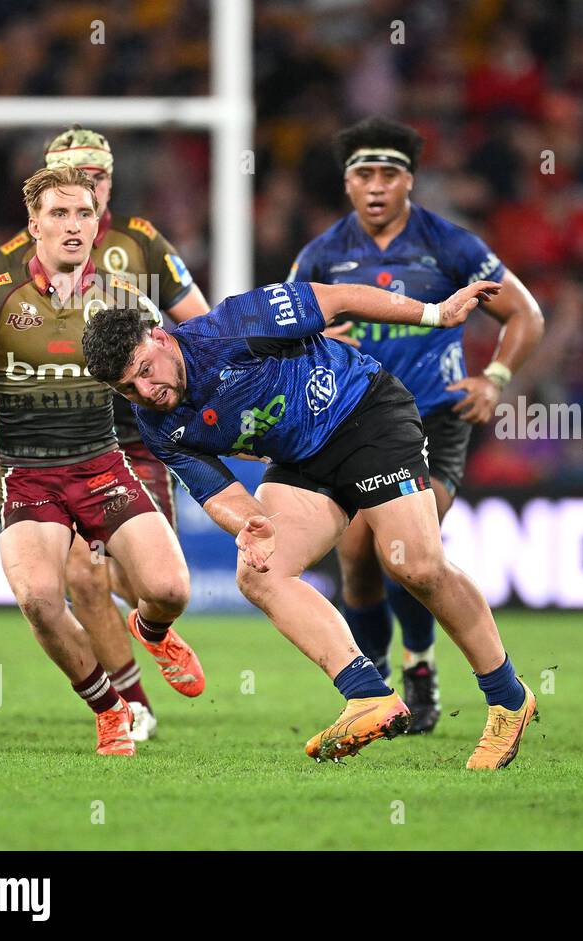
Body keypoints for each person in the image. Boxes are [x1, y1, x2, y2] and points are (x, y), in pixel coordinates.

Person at [81, 277, 539, 769]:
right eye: (128, 386)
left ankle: (508, 697)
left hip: (365, 414)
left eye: (146, 371)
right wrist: (249, 524)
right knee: (261, 573)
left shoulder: (234, 324)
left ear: (162, 338)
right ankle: (368, 694)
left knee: (416, 567)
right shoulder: (153, 422)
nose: (146, 391)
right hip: (302, 459)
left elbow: (337, 298)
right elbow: (217, 491)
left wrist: (434, 314)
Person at [0, 166, 205, 757]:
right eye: (59, 214)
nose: (74, 226)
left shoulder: (126, 302)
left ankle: (151, 631)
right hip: (29, 477)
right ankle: (108, 709)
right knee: (40, 601)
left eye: (83, 214)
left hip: (104, 466)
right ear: (34, 226)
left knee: (170, 589)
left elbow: (170, 372)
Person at [289, 117, 543, 733]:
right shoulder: (321, 255)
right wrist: (312, 335)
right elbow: (279, 336)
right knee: (356, 560)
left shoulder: (449, 245)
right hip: (351, 422)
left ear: (411, 180)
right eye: (363, 174)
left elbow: (525, 314)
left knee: (404, 551)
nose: (376, 186)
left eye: (389, 174)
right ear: (347, 184)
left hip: (435, 416)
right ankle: (375, 682)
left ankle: (421, 667)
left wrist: (497, 378)